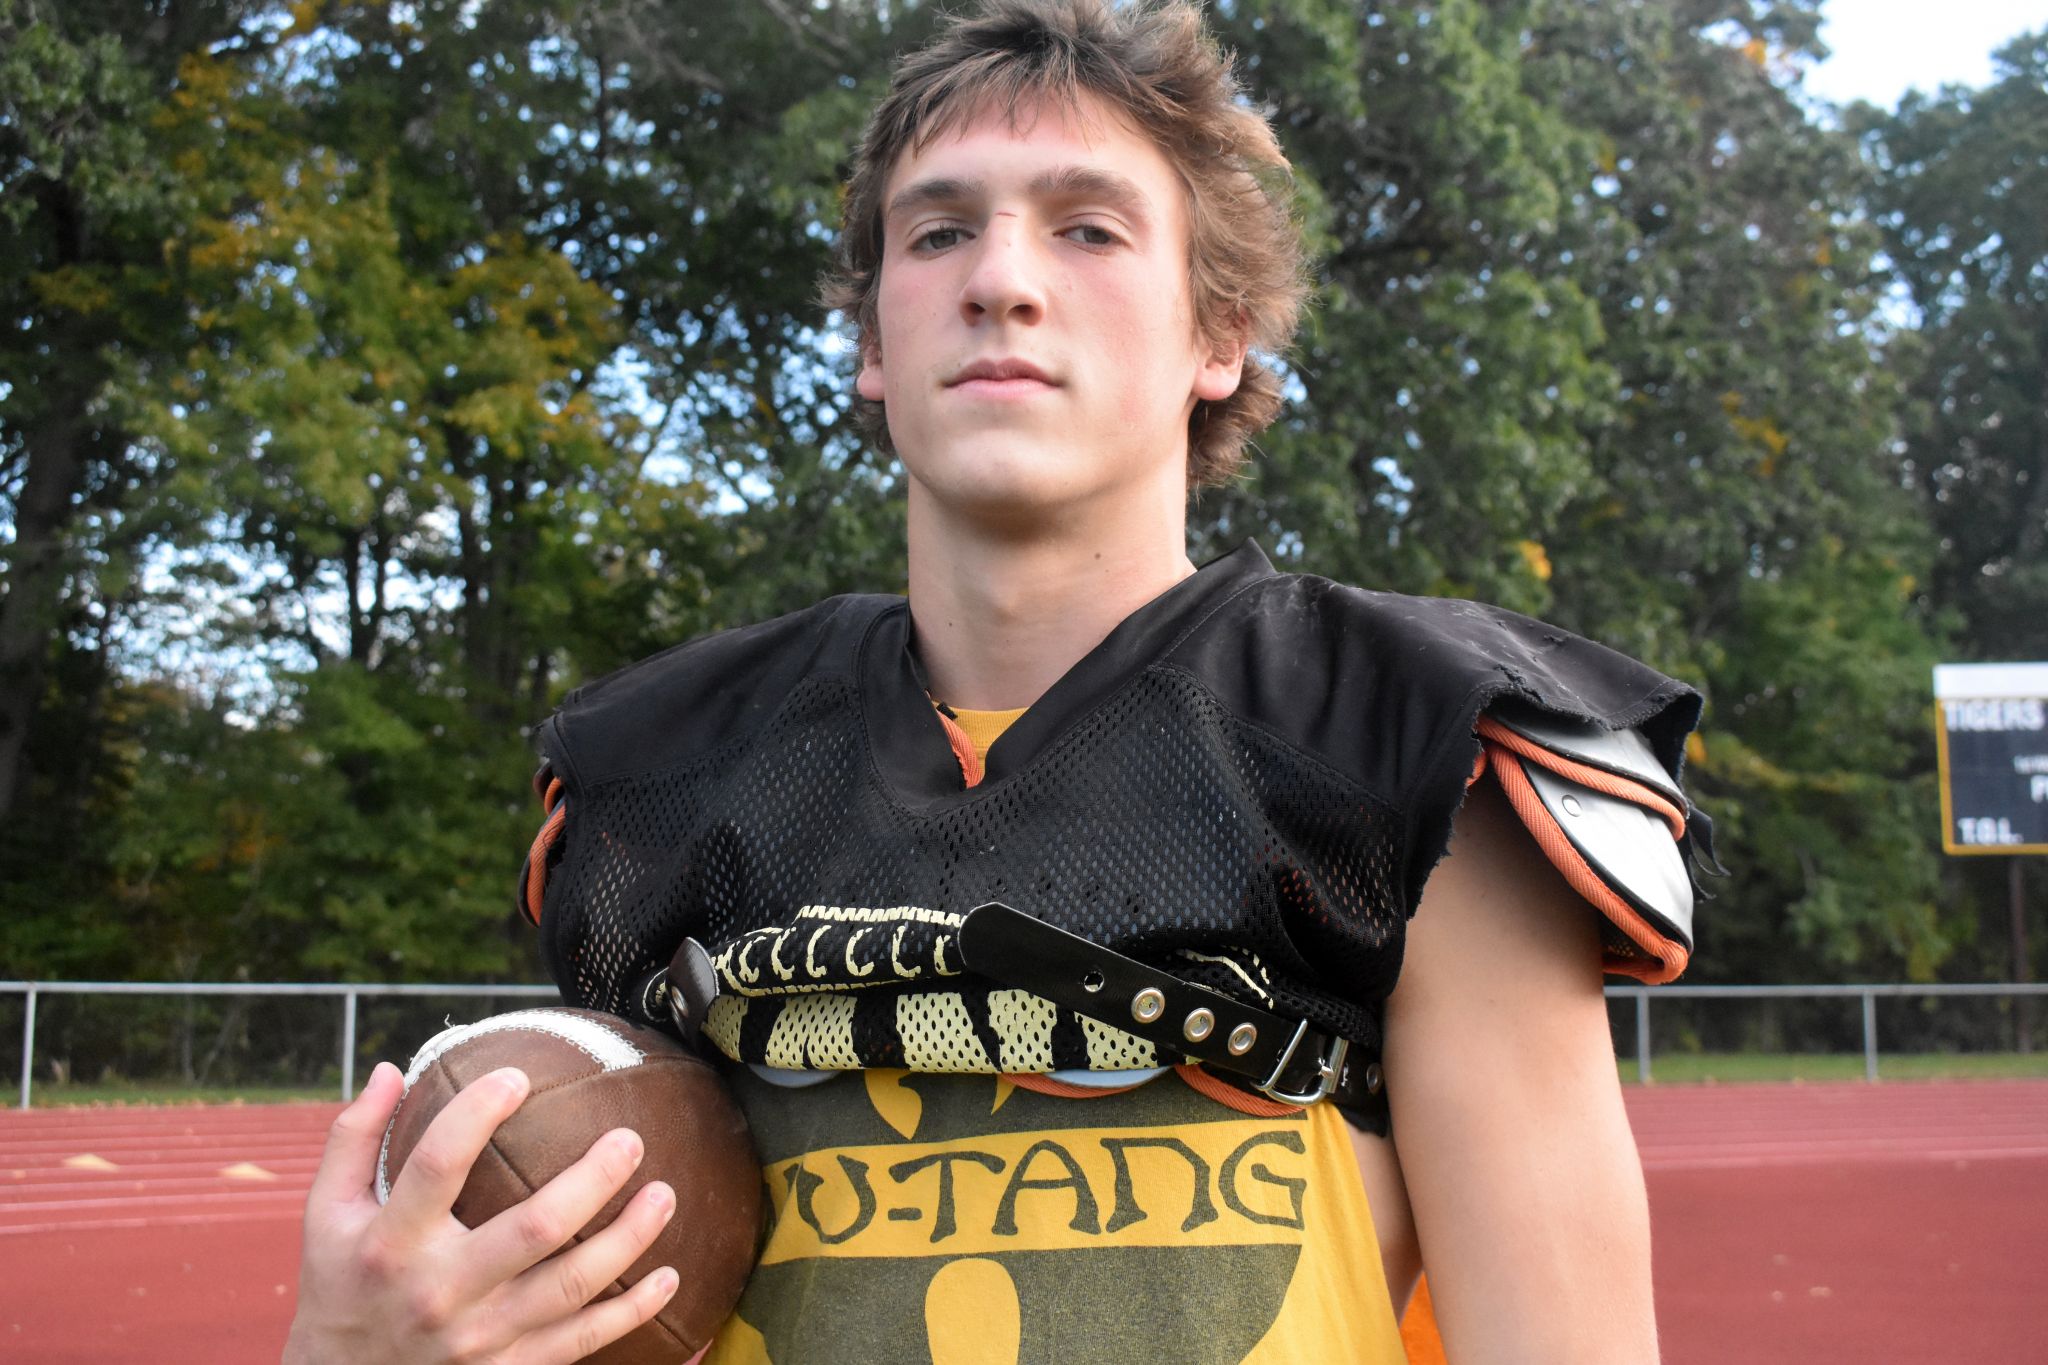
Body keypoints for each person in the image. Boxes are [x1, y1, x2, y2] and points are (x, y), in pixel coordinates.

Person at [286, 2, 1707, 1361]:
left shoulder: (1406, 749)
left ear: (1219, 338)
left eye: (1088, 227)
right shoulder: (664, 775)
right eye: (940, 229)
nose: (1001, 279)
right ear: (869, 343)